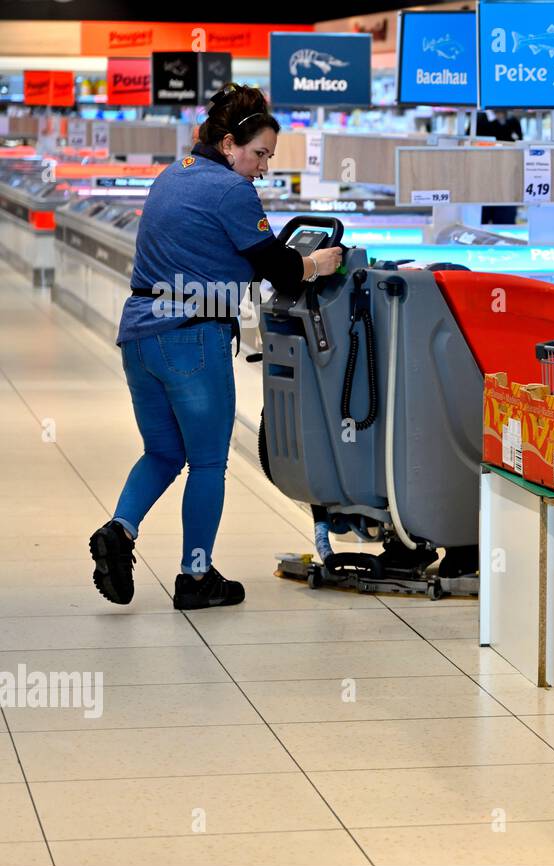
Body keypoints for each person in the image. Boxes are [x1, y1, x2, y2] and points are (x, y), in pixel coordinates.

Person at [90, 84, 343, 610]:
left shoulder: (172, 174)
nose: (263, 168)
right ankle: (195, 577)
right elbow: (280, 269)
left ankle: (120, 530)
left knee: (162, 452)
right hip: (193, 341)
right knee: (207, 463)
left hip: (139, 335)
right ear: (230, 144)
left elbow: (211, 251)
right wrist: (318, 263)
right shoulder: (231, 192)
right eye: (259, 154)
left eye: (269, 157)